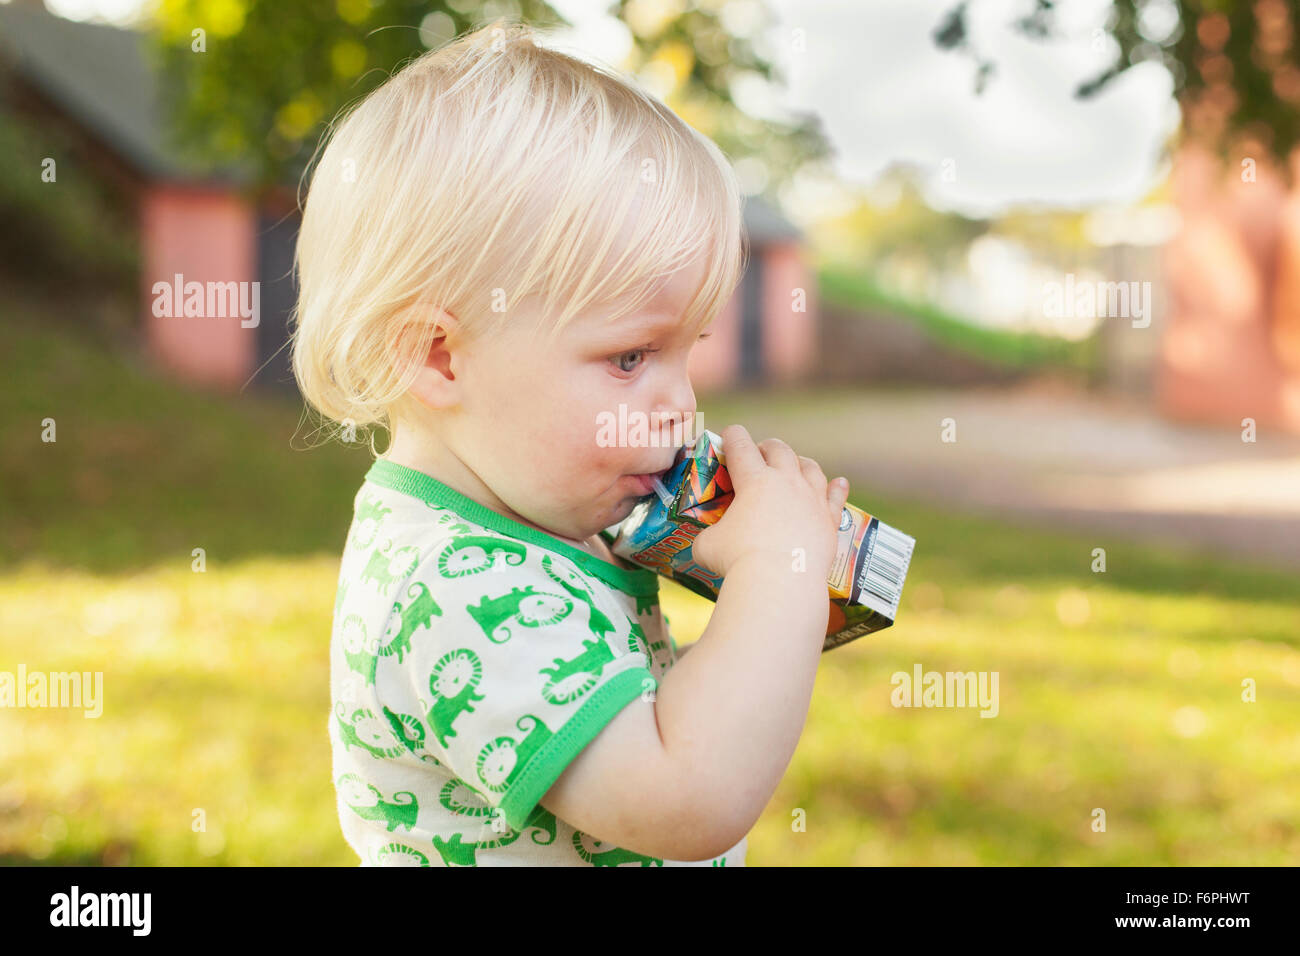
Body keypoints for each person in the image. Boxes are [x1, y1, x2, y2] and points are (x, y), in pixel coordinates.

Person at [291, 18, 850, 866]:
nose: (681, 408)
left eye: (683, 352)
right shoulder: (452, 591)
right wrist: (776, 576)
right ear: (438, 355)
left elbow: (645, 716)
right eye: (630, 356)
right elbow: (685, 798)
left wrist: (763, 625)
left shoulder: (525, 528)